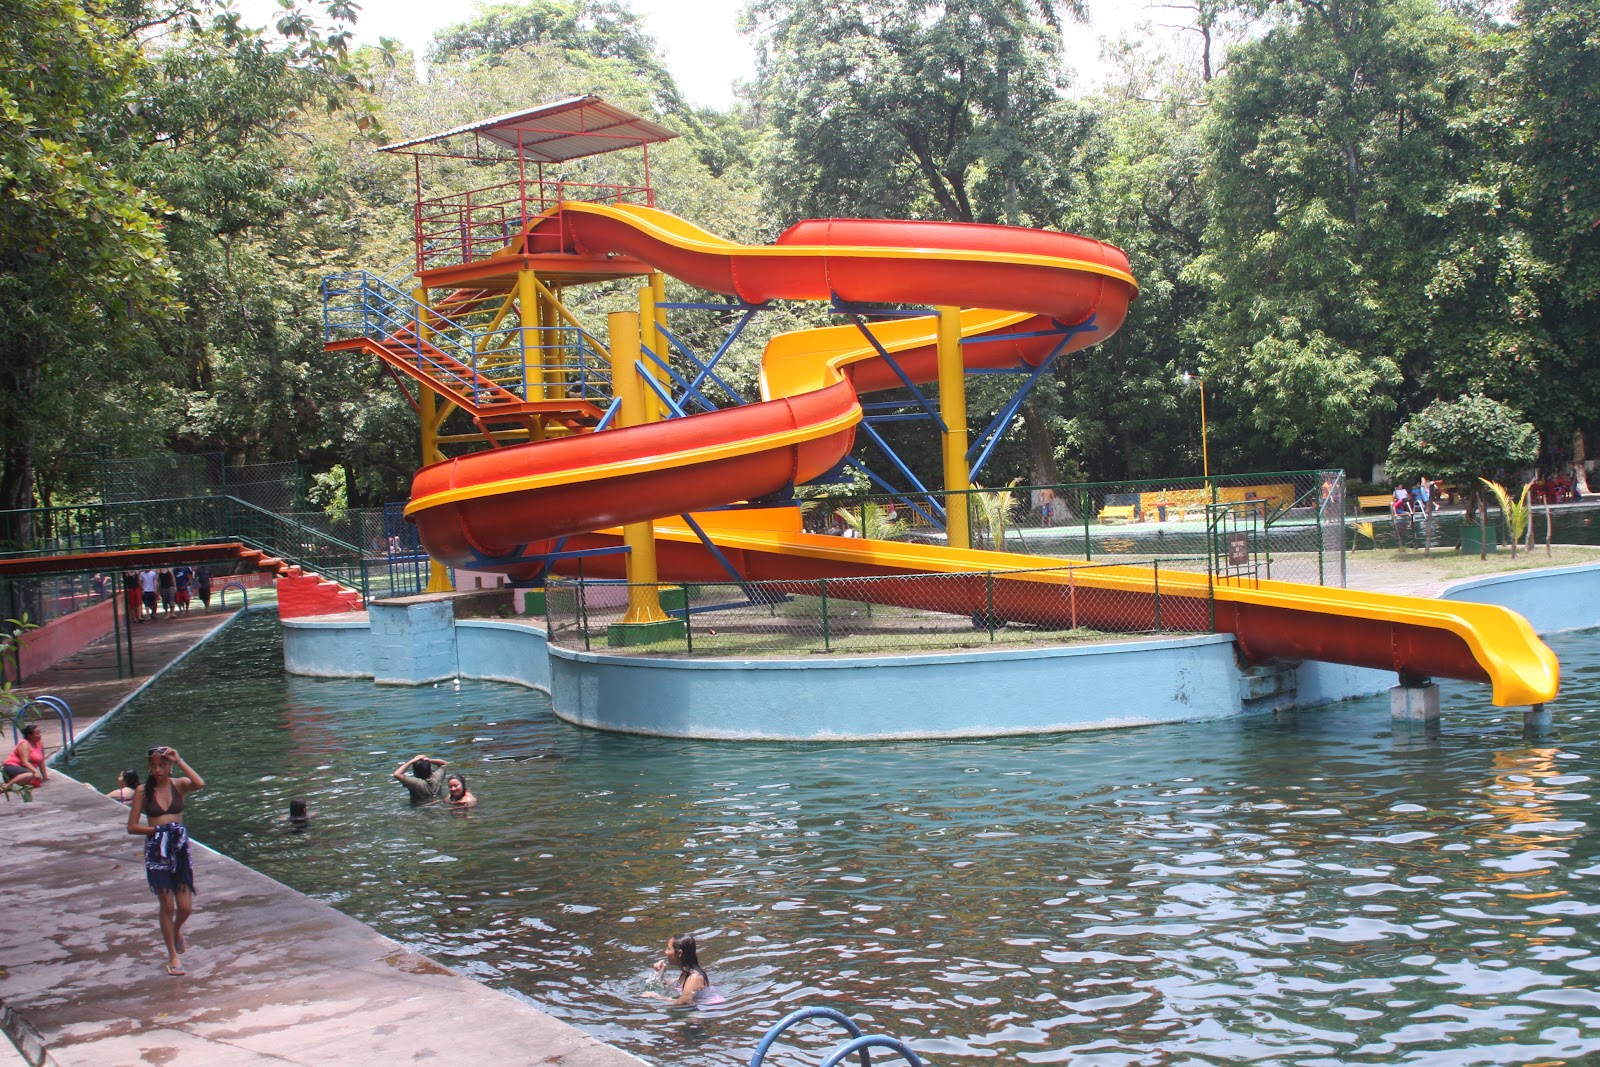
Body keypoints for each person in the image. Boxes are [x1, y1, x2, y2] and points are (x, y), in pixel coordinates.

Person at [126, 745, 204, 976]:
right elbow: (132, 826)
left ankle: (176, 931)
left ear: (169, 766)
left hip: (179, 850)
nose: (157, 770)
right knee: (167, 905)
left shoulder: (179, 785)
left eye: (162, 765)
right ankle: (172, 955)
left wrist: (179, 760)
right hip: (156, 851)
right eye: (153, 766)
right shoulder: (143, 791)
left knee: (186, 907)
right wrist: (158, 831)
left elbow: (199, 783)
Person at [646, 933, 722, 1006]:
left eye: (669, 949)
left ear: (679, 953)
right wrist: (659, 974)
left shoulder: (694, 978)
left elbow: (683, 1002)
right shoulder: (684, 974)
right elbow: (664, 984)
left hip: (711, 1009)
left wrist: (655, 996)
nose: (666, 952)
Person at [2, 723, 49, 791]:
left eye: (40, 733)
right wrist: (35, 772)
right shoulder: (24, 744)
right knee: (29, 775)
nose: (40, 735)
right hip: (12, 767)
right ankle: (6, 786)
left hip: (25, 770)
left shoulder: (39, 743)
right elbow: (25, 762)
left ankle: (14, 785)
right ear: (29, 736)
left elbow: (41, 761)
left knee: (35, 781)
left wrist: (45, 777)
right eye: (37, 734)